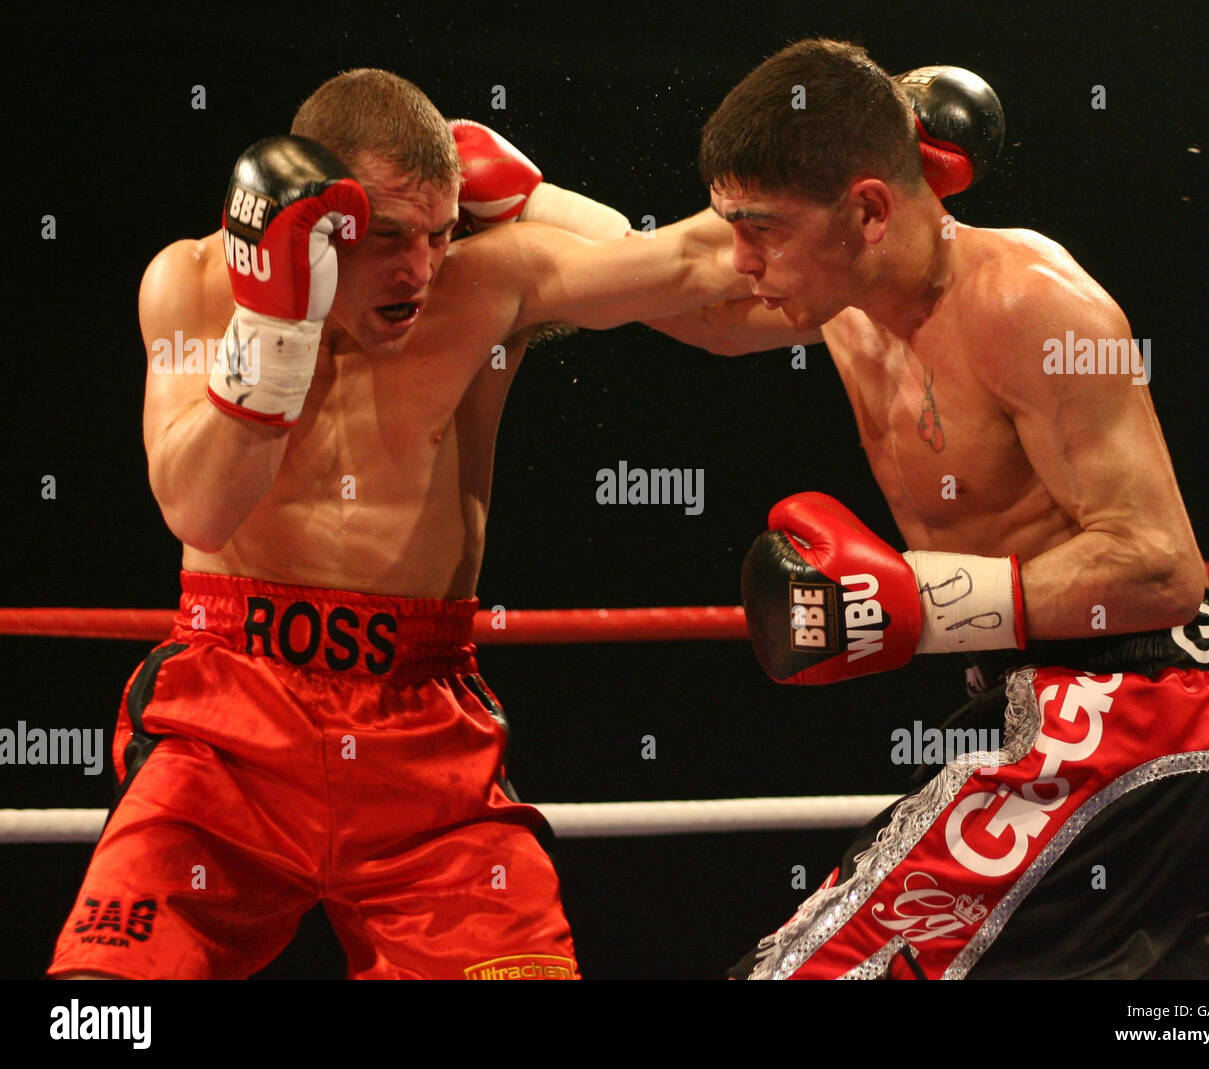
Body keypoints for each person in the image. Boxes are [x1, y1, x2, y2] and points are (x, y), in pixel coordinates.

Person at [47, 68, 746, 981]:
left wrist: (545, 200)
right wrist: (275, 321)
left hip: (421, 734)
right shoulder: (194, 282)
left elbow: (715, 289)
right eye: (385, 237)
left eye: (442, 231)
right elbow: (199, 509)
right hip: (225, 725)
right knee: (101, 1007)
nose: (419, 268)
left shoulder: (488, 283)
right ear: (314, 213)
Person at [661, 39, 1209, 979]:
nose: (738, 259)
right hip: (1081, 725)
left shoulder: (1031, 299)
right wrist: (507, 214)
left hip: (1133, 711)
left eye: (760, 229)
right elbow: (637, 281)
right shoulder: (830, 291)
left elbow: (1159, 566)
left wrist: (921, 603)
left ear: (868, 208)